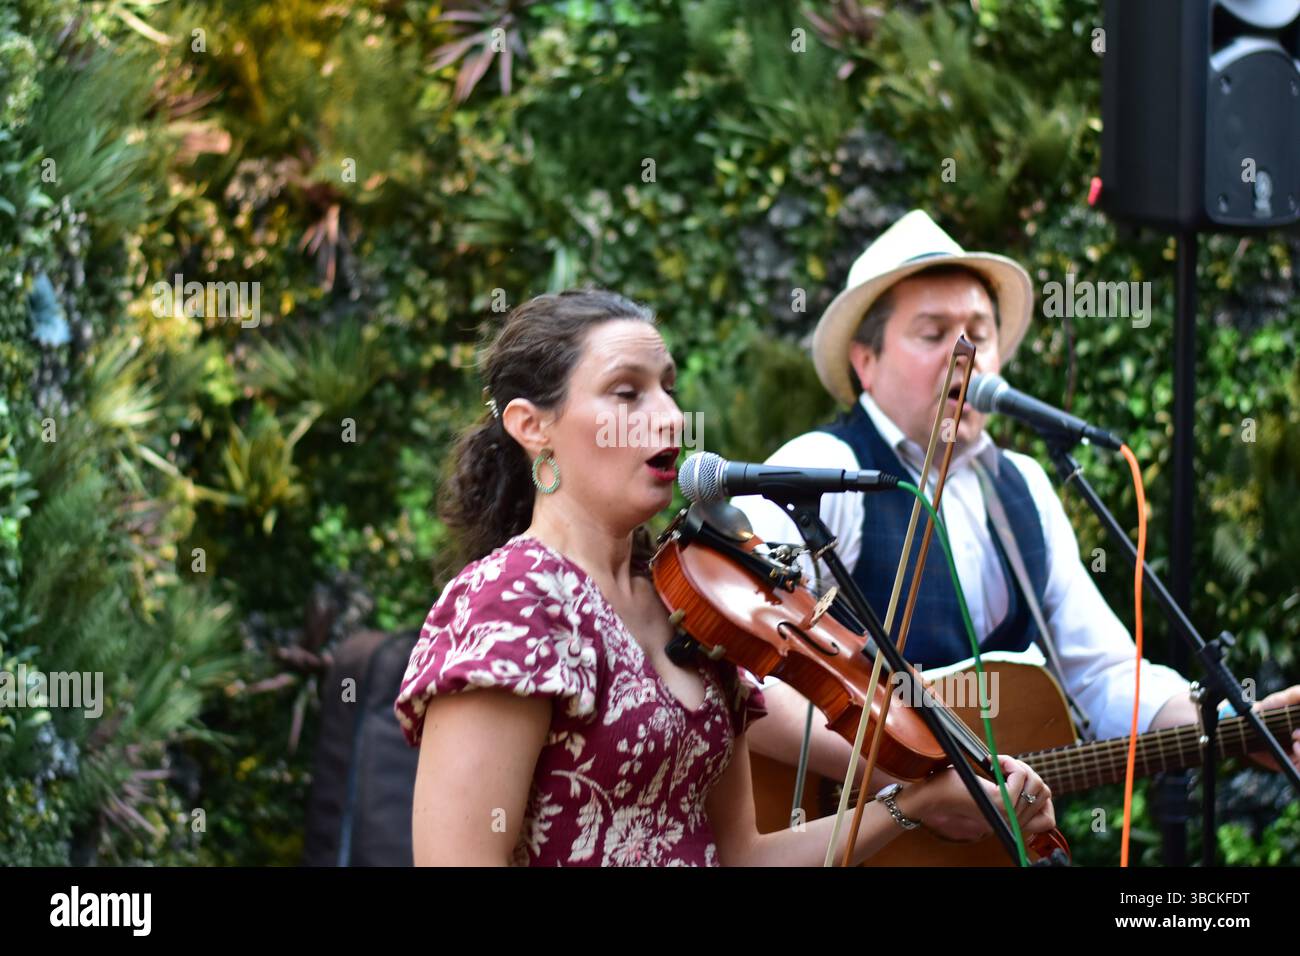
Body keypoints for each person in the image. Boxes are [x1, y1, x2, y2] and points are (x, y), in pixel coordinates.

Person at [394, 288, 1056, 866]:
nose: (670, 418)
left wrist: (911, 807)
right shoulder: (512, 602)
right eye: (627, 392)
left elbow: (742, 855)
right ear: (531, 426)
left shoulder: (693, 605)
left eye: (668, 389)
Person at [733, 210, 1300, 796]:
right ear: (865, 361)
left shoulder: (1022, 484)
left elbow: (1102, 673)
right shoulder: (822, 470)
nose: (965, 354)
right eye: (933, 335)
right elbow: (733, 670)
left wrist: (1235, 727)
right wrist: (911, 784)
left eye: (979, 333)